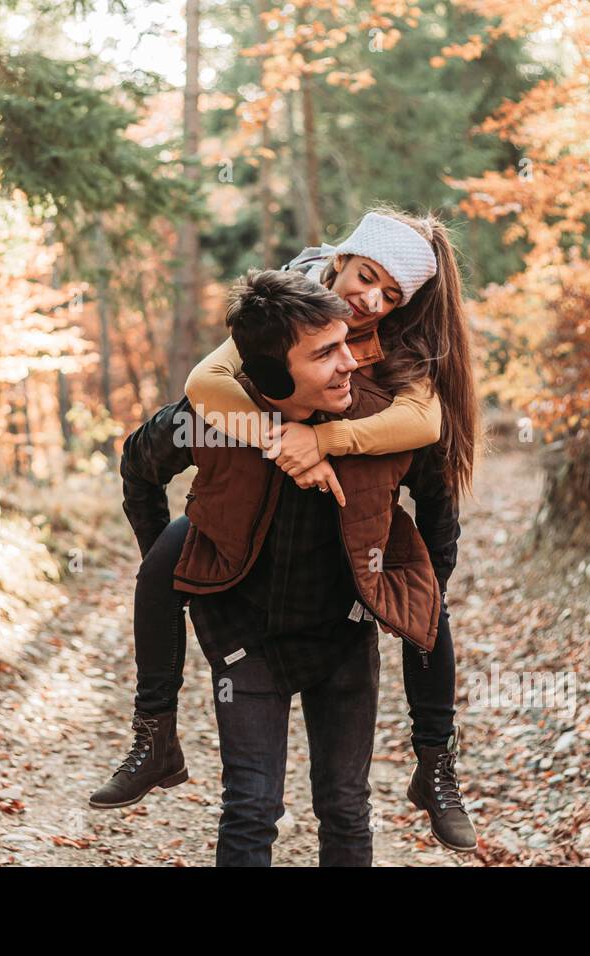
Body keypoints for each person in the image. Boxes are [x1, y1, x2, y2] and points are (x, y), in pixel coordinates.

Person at [90, 207, 480, 852]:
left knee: (421, 612)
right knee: (249, 806)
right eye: (366, 278)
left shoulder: (398, 365)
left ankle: (436, 763)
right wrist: (272, 440)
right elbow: (181, 411)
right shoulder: (254, 356)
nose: (370, 302)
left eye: (390, 295)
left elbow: (432, 454)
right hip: (246, 627)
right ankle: (154, 729)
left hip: (343, 626)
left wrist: (328, 441)